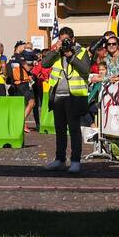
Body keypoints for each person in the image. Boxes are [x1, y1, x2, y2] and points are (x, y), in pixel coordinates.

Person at [41, 26, 91, 173]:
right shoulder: (57, 52)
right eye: (62, 41)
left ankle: (75, 161)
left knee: (74, 130)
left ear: (73, 39)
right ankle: (60, 160)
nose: (64, 44)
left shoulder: (81, 52)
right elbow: (44, 64)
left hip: (73, 96)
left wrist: (70, 55)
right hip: (58, 96)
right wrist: (55, 50)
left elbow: (85, 70)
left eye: (67, 41)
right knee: (60, 130)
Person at [6, 41, 39, 131]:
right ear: (19, 47)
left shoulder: (12, 58)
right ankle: (21, 121)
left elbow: (7, 71)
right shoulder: (20, 56)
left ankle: (21, 124)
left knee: (21, 105)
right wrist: (32, 71)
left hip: (16, 84)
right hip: (24, 83)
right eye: (23, 47)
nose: (24, 49)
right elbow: (27, 68)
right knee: (32, 102)